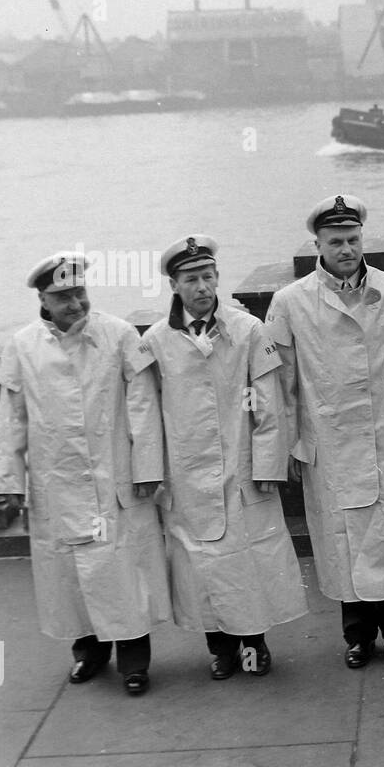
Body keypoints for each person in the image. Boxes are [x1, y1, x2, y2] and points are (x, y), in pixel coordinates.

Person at [265, 195, 384, 669]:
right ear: (317, 243)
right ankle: (356, 637)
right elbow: (285, 385)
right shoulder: (291, 302)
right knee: (344, 543)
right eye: (336, 241)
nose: (346, 249)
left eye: (353, 239)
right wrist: (292, 447)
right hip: (330, 446)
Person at [0, 251, 170, 695]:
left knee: (123, 571)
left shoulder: (119, 335)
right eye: (63, 296)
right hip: (57, 481)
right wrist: (9, 479)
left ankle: (134, 661)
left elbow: (143, 404)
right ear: (43, 300)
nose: (75, 303)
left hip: (115, 476)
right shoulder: (23, 346)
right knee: (70, 574)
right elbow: (10, 415)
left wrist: (147, 466)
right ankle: (88, 651)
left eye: (79, 292)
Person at [140, 235, 307, 677]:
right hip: (186, 472)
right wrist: (152, 472)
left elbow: (270, 402)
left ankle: (254, 646)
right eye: (191, 279)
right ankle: (221, 650)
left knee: (247, 562)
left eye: (208, 277)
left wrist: (269, 463)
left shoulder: (248, 330)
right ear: (174, 285)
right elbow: (145, 411)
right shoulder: (156, 342)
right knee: (202, 566)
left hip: (239, 464)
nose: (202, 287)